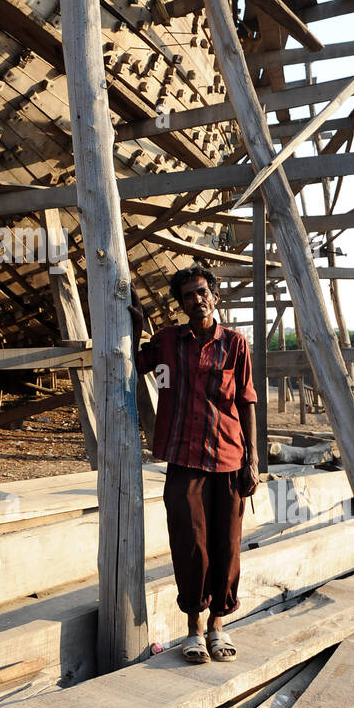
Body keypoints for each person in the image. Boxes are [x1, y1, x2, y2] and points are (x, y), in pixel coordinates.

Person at [130, 265, 258, 663]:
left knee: (227, 545)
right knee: (189, 545)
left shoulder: (235, 344)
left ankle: (219, 626)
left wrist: (252, 457)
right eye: (187, 296)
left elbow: (247, 400)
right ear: (181, 304)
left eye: (201, 292)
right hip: (184, 460)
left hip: (229, 459)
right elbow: (137, 362)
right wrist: (135, 325)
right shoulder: (168, 341)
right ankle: (193, 629)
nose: (195, 300)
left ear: (214, 296)